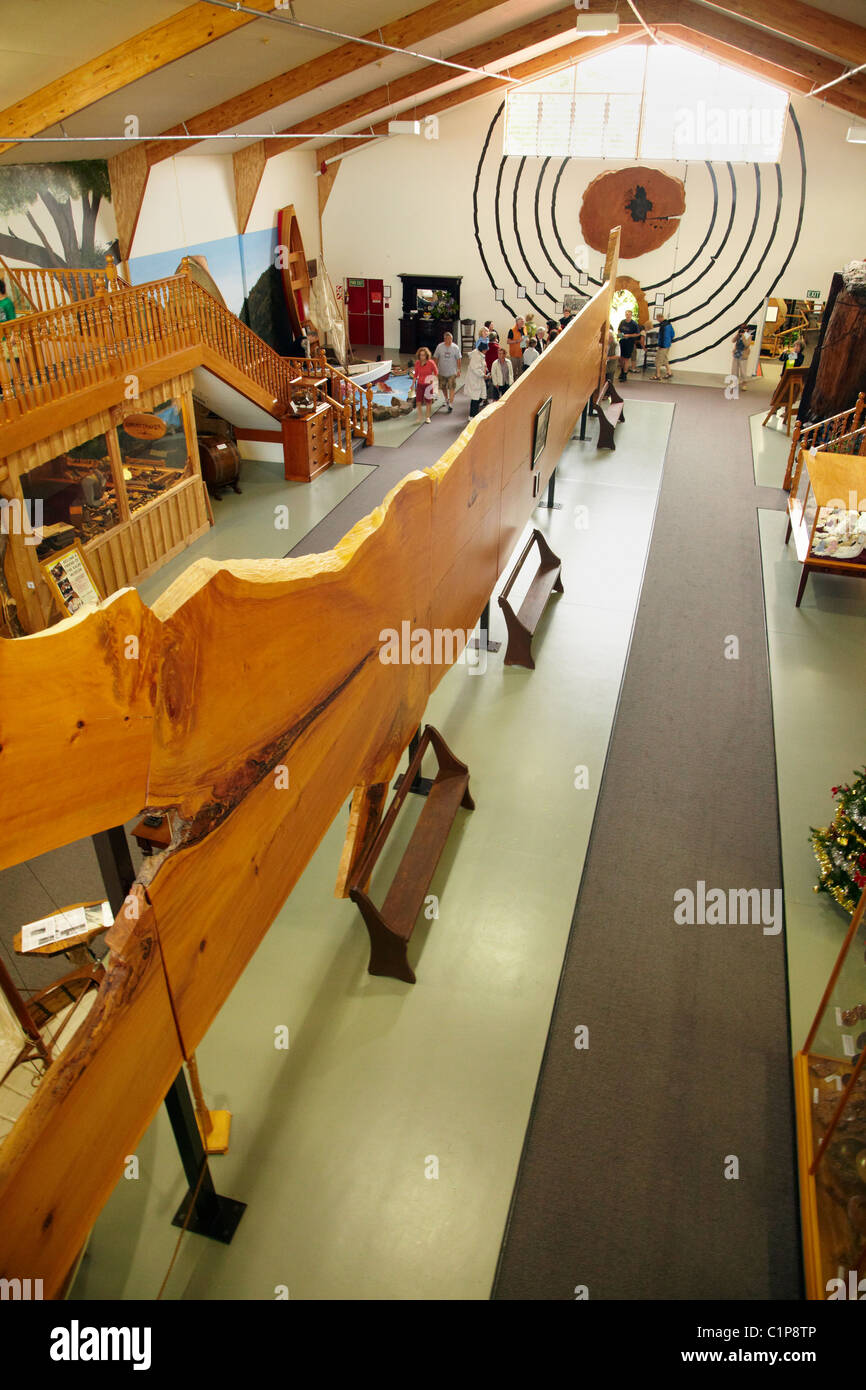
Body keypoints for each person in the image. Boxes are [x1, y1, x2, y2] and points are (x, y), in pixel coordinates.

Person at [433, 331, 461, 414]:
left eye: (451, 339)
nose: (449, 340)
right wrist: (435, 369)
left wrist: (458, 370)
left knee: (452, 388)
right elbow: (436, 358)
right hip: (441, 372)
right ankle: (446, 399)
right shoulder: (439, 347)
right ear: (444, 339)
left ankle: (451, 404)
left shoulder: (455, 348)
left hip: (452, 372)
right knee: (443, 387)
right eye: (447, 339)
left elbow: (458, 359)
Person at [412, 345, 438, 424]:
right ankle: (419, 417)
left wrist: (432, 380)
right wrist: (412, 384)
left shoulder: (431, 363)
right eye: (420, 355)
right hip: (420, 384)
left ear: (427, 355)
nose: (422, 357)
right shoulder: (417, 363)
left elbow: (436, 373)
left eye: (423, 355)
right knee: (418, 402)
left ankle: (427, 417)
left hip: (428, 385)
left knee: (428, 402)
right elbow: (416, 374)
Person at [465, 339, 489, 417]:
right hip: (475, 380)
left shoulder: (479, 355)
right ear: (483, 350)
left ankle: (473, 414)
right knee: (475, 398)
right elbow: (475, 368)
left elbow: (482, 365)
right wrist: (483, 375)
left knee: (479, 397)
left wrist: (485, 372)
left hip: (478, 379)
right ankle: (472, 415)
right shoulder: (476, 356)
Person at [617, 309, 643, 381]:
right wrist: (620, 334)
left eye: (629, 314)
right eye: (626, 314)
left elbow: (637, 334)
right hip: (622, 341)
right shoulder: (622, 322)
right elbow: (619, 329)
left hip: (629, 342)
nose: (627, 316)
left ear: (631, 315)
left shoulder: (634, 324)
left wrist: (629, 335)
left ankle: (625, 374)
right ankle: (622, 371)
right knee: (620, 358)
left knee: (626, 359)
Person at [652, 315, 675, 381]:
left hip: (663, 346)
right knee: (665, 359)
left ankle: (657, 375)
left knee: (658, 361)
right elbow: (672, 334)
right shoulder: (669, 324)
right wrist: (668, 342)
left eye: (657, 319)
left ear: (660, 318)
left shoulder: (663, 326)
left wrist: (661, 346)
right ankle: (669, 373)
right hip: (667, 345)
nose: (657, 320)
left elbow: (662, 337)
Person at [731, 324, 752, 390]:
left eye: (745, 328)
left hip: (743, 354)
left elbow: (747, 345)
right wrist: (738, 335)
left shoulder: (748, 336)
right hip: (737, 353)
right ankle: (734, 382)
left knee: (743, 370)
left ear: (747, 329)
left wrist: (743, 336)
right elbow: (733, 341)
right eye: (742, 328)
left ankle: (744, 384)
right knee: (734, 369)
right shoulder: (739, 334)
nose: (743, 330)